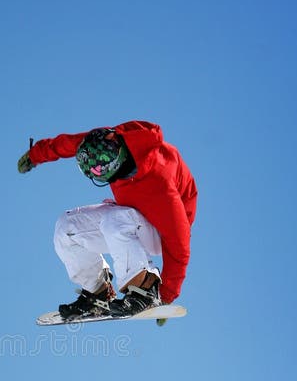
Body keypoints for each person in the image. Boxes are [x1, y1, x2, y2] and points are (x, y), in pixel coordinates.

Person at [17, 121, 197, 319]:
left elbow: (179, 242)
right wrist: (35, 155)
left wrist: (166, 296)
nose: (113, 179)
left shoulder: (160, 180)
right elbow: (67, 144)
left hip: (160, 232)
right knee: (66, 228)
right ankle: (98, 292)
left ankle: (144, 289)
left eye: (110, 174)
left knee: (114, 221)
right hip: (129, 217)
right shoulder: (99, 141)